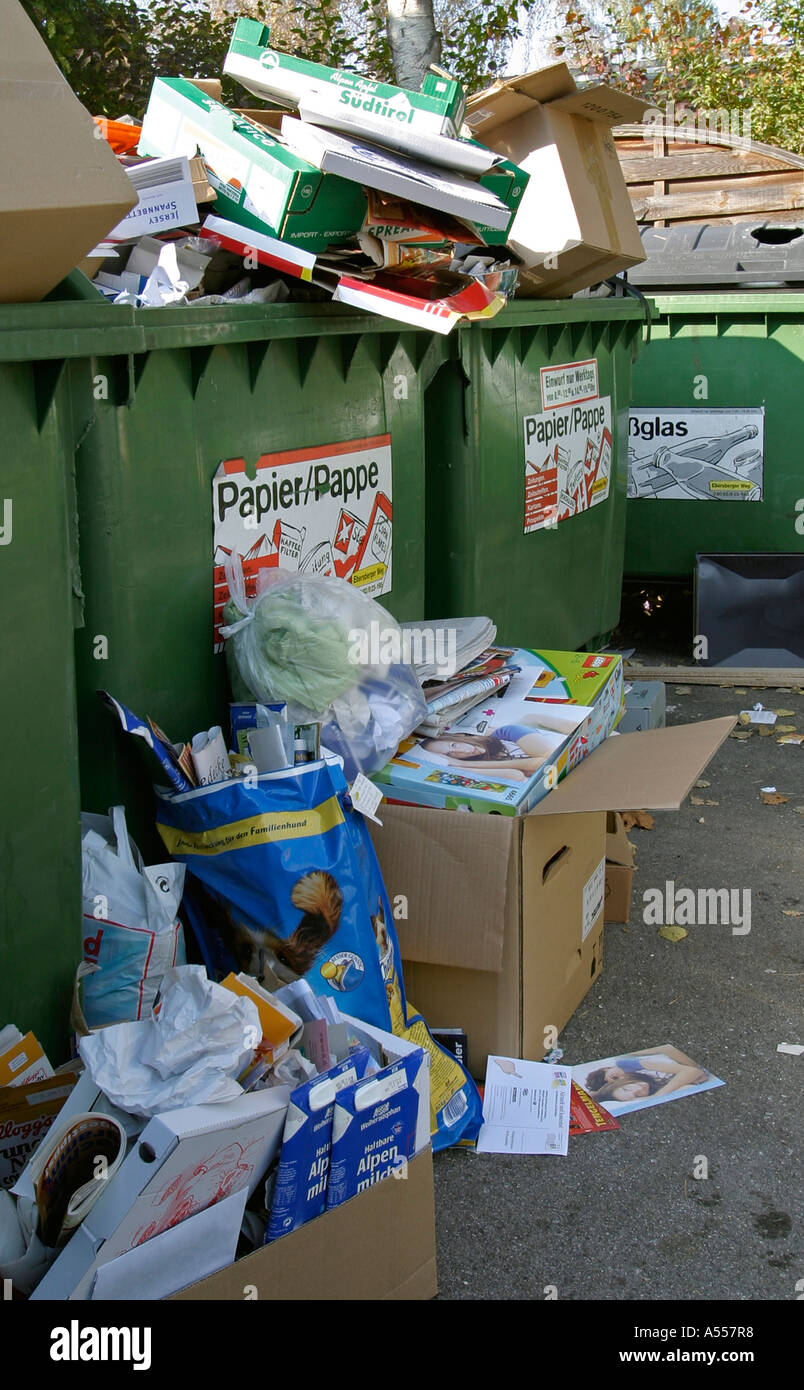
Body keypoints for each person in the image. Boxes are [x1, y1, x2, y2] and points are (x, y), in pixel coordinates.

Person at [419, 723, 556, 782]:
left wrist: (462, 764)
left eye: (454, 745)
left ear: (458, 737)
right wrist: (461, 768)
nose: (461, 751)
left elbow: (549, 760)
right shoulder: (481, 763)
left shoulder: (506, 732)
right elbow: (515, 775)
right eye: (450, 754)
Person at [583, 1054, 709, 1106]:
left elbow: (694, 1071)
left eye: (614, 1078)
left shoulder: (624, 1064)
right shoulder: (648, 1084)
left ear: (606, 1068)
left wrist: (658, 1096)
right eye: (637, 1095)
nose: (639, 1088)